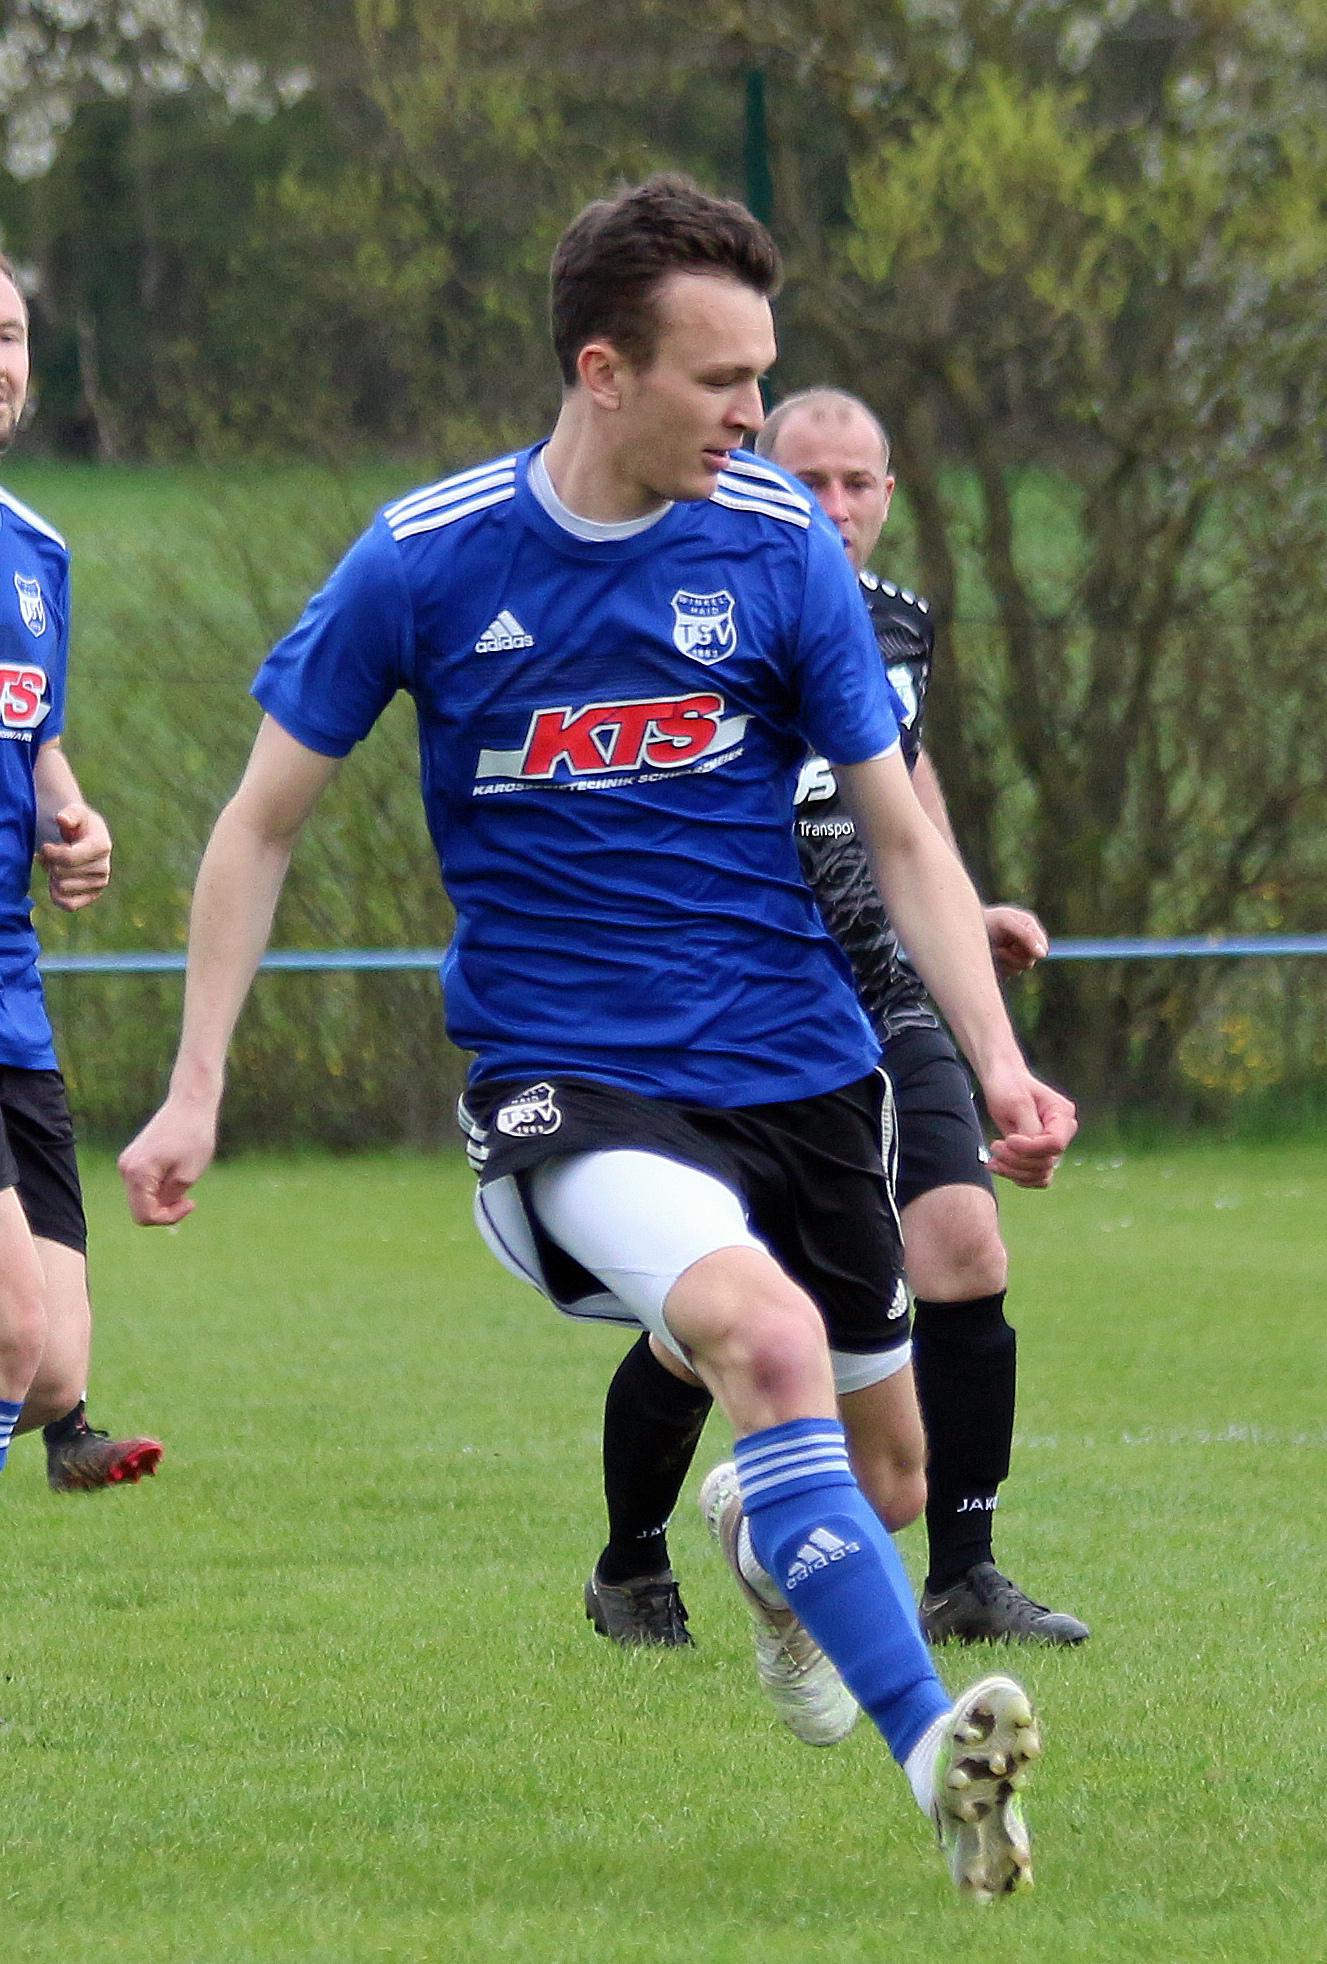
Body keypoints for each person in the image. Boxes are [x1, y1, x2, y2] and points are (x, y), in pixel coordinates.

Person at [116, 178, 1069, 1898]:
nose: (756, 415)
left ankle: (754, 1532)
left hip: (798, 1064)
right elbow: (258, 825)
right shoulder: (427, 557)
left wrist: (992, 1057)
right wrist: (196, 1086)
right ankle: (940, 1752)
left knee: (889, 1483)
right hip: (572, 1083)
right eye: (722, 380)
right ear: (603, 367)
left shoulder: (779, 544)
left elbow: (902, 830)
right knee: (760, 1336)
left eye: (765, 376)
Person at [584, 385, 1087, 1651]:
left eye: (859, 482)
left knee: (967, 1247)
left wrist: (967, 916)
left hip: (885, 989)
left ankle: (966, 1570)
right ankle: (633, 1562)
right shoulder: (702, 608)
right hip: (745, 1011)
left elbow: (902, 804)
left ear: (889, 493)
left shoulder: (901, 629)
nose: (837, 506)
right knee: (725, 1319)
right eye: (809, 479)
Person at [0, 248, 163, 1496]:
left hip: (16, 987)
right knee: (11, 1331)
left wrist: (76, 817)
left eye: (8, 336)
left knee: (53, 1374)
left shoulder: (36, 554)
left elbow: (38, 732)